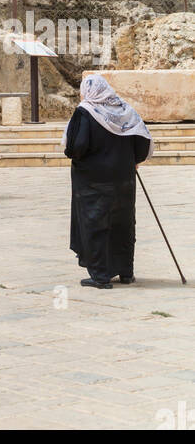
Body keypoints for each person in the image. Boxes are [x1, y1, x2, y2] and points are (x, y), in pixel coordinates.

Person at [63, 72, 153, 290]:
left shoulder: (86, 112)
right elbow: (142, 141)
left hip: (94, 182)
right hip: (124, 180)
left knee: (96, 225)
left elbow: (77, 146)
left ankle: (100, 276)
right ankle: (126, 272)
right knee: (123, 224)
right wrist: (132, 160)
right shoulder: (124, 110)